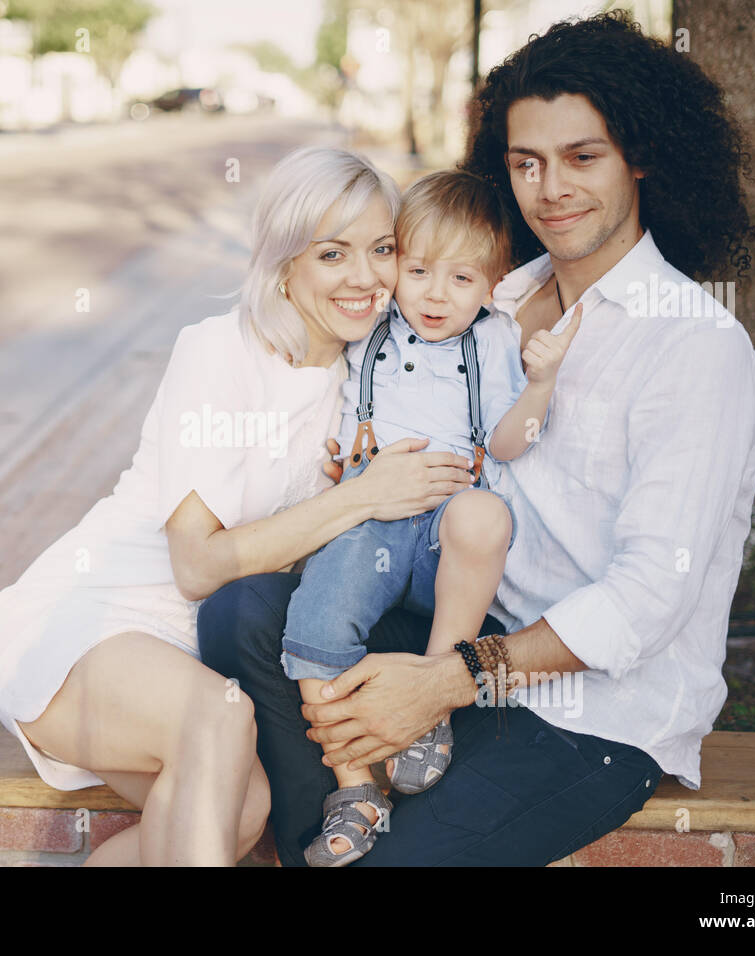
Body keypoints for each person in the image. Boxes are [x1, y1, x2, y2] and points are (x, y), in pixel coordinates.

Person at [198, 10, 755, 866]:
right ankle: (345, 812)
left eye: (583, 157)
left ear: (641, 156)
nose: (551, 188)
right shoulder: (490, 295)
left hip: (591, 714)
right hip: (459, 630)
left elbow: (650, 599)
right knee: (240, 612)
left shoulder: (696, 349)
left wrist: (444, 683)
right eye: (526, 162)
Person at [0, 145, 475, 865]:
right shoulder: (219, 352)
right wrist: (363, 496)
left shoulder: (366, 380)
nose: (365, 277)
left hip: (191, 664)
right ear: (285, 263)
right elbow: (197, 564)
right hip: (87, 627)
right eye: (333, 254)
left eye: (381, 250)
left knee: (244, 811)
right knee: (219, 719)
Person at [284, 170, 582, 865]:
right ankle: (355, 786)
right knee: (317, 615)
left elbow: (508, 443)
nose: (435, 295)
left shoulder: (495, 340)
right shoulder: (371, 330)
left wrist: (540, 386)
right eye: (417, 270)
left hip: (449, 535)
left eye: (461, 279)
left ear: (493, 283)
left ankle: (433, 703)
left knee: (485, 514)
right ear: (396, 264)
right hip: (375, 516)